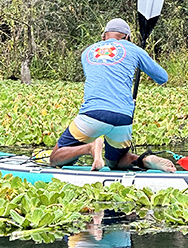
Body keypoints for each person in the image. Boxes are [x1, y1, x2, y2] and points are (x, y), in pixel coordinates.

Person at [49, 18, 175, 172]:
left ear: (103, 37)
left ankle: (90, 148)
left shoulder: (87, 52)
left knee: (55, 157)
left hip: (93, 115)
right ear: (127, 37)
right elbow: (163, 78)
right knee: (115, 162)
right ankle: (145, 159)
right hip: (123, 118)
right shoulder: (134, 49)